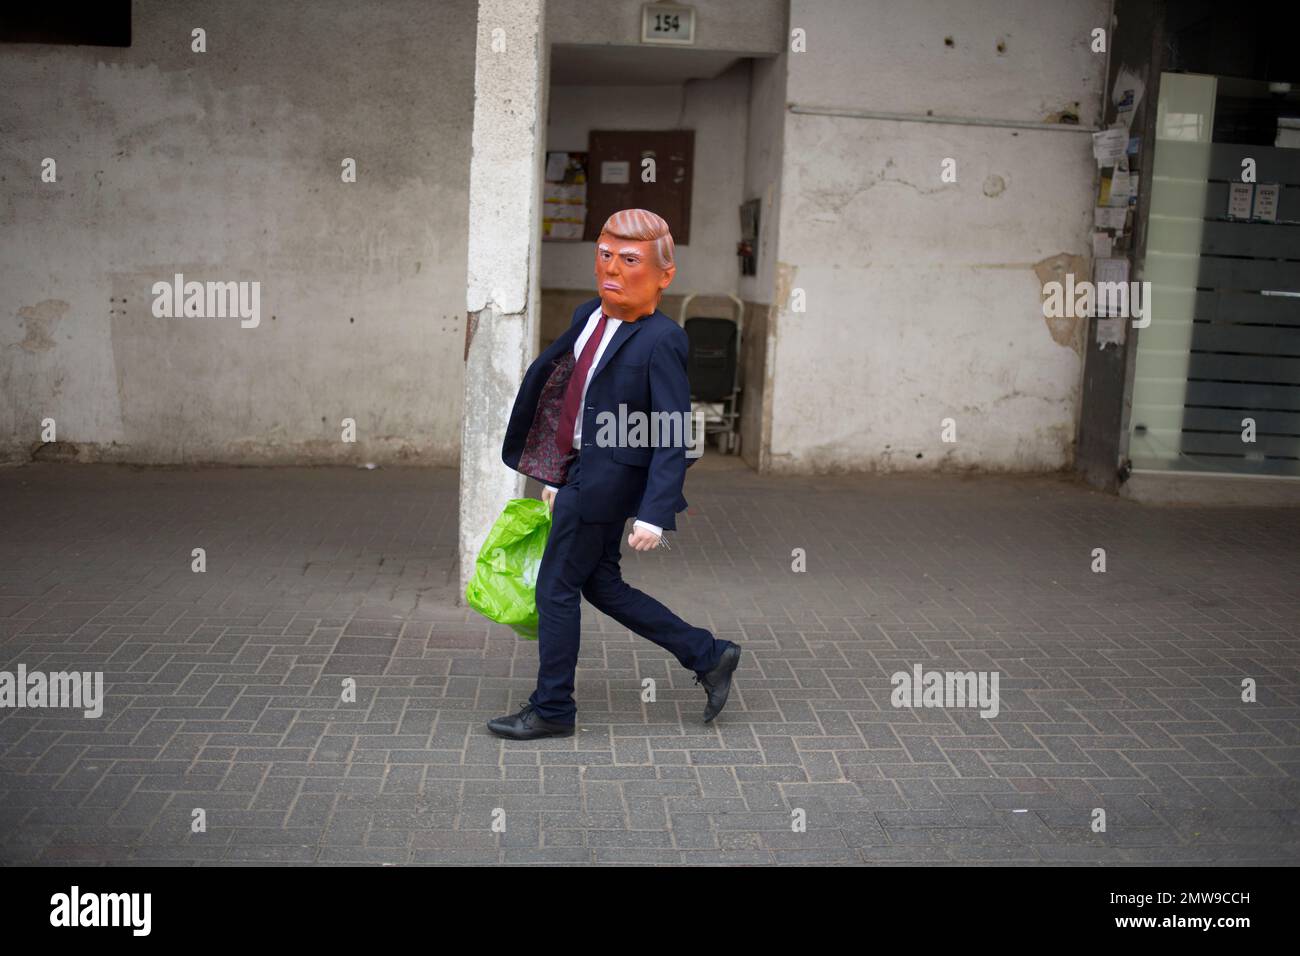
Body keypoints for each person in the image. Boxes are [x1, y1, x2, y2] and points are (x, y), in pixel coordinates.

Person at [489, 208, 741, 739]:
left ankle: (554, 707)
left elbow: (674, 430)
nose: (613, 269)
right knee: (599, 584)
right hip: (579, 471)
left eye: (630, 260)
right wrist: (555, 474)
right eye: (604, 256)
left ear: (663, 276)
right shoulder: (586, 316)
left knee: (555, 589)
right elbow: (568, 401)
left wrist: (653, 511)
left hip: (606, 483)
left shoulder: (662, 340)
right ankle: (708, 653)